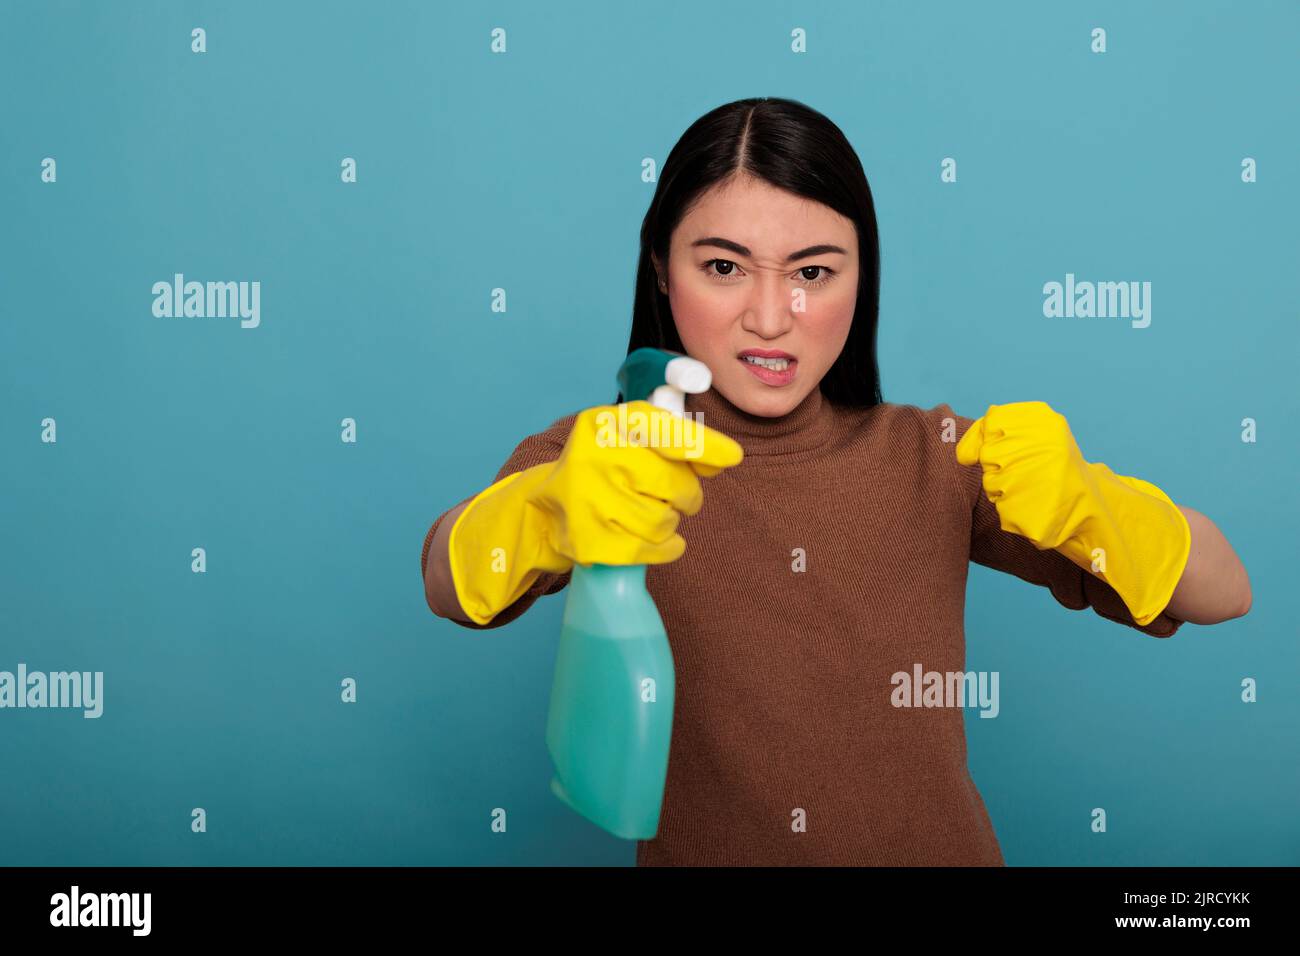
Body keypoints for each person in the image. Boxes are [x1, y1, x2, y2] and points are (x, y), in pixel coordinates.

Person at [421, 97, 1252, 866]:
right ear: (661, 271)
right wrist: (541, 510)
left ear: (863, 279)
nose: (772, 317)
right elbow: (445, 584)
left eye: (813, 272)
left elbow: (1224, 591)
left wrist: (1094, 507)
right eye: (723, 266)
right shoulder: (608, 462)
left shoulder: (943, 457)